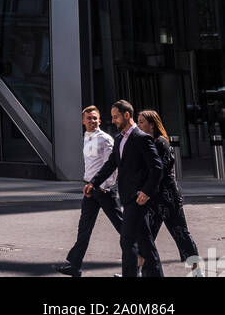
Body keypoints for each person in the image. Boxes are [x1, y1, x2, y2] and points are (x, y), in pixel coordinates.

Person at [86, 99, 163, 278]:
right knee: (145, 243)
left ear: (127, 115)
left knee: (127, 239)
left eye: (116, 117)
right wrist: (93, 182)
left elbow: (157, 167)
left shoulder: (142, 138)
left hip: (138, 198)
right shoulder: (120, 138)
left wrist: (147, 191)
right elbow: (110, 164)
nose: (113, 121)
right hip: (127, 197)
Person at [55, 105, 122, 277]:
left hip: (104, 190)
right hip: (90, 189)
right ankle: (74, 266)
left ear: (99, 120)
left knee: (123, 228)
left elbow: (112, 166)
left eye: (94, 118)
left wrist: (105, 186)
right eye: (88, 118)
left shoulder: (105, 139)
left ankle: (137, 264)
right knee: (83, 228)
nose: (92, 121)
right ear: (83, 121)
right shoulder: (86, 137)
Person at [137, 110, 199, 268]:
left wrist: (145, 189)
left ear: (151, 125)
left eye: (142, 121)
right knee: (145, 236)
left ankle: (197, 271)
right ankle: (133, 271)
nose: (138, 125)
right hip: (153, 198)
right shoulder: (147, 143)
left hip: (168, 198)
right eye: (138, 121)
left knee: (181, 234)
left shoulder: (161, 142)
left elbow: (160, 170)